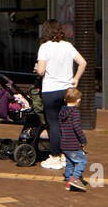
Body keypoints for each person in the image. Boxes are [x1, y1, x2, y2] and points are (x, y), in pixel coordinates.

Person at [34, 20, 86, 170]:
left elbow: (41, 71)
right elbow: (83, 63)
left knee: (54, 124)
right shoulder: (68, 46)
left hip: (50, 90)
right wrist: (75, 78)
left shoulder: (44, 47)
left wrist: (37, 68)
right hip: (66, 90)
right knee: (67, 123)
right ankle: (66, 155)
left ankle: (56, 157)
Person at [59, 87, 89, 191]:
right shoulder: (75, 112)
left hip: (64, 143)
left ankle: (68, 181)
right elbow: (76, 127)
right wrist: (83, 140)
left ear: (65, 100)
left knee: (70, 163)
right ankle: (75, 179)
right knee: (82, 161)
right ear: (78, 101)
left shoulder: (62, 112)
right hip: (73, 144)